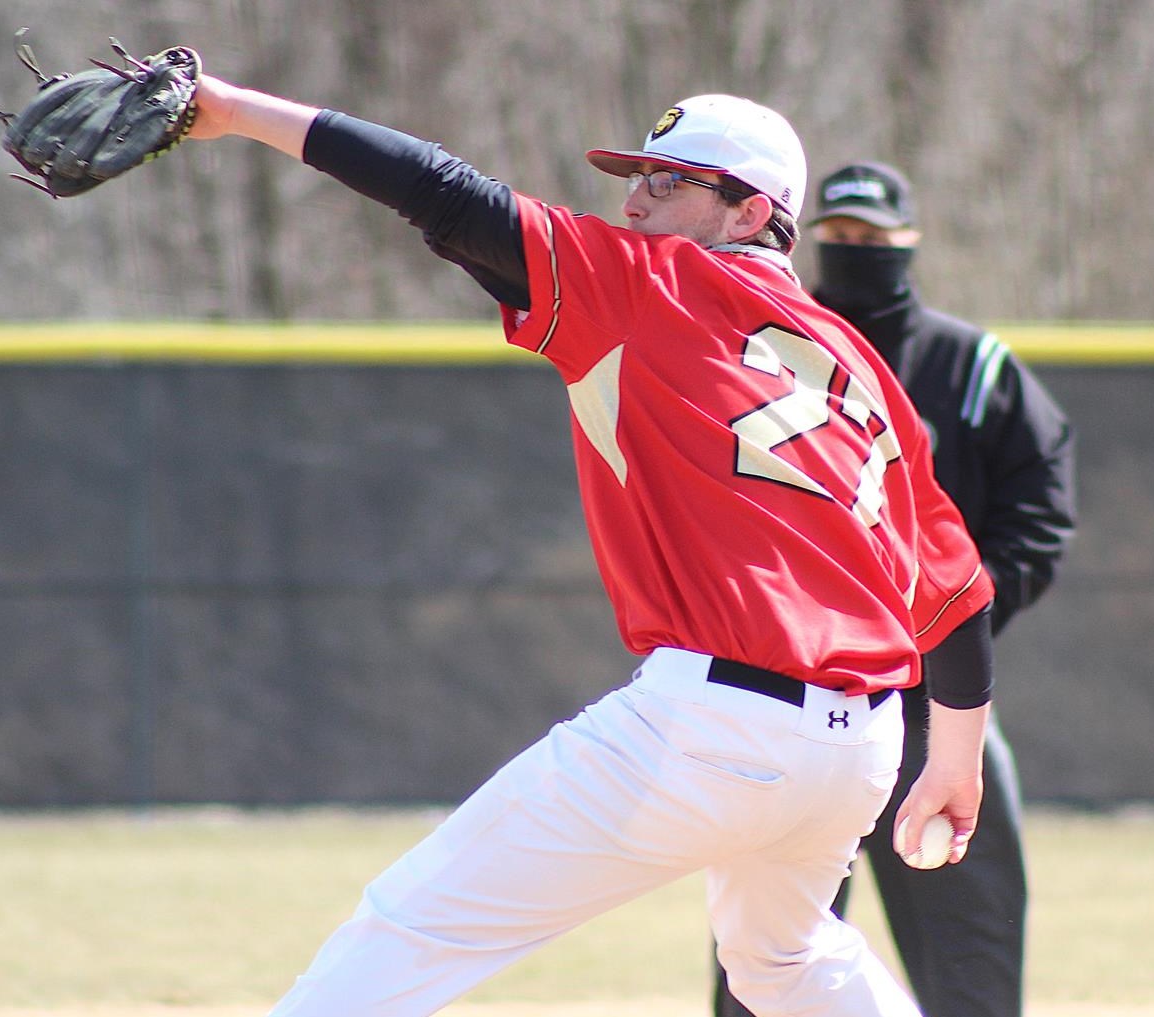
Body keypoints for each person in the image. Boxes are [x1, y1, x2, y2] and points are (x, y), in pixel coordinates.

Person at [184, 74, 999, 1017]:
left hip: (715, 725)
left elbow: (443, 193)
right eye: (636, 175)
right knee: (785, 960)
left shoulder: (652, 281)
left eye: (670, 179)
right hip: (858, 744)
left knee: (416, 922)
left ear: (750, 214)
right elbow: (953, 588)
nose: (635, 197)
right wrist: (955, 760)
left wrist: (236, 109)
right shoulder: (858, 363)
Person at [714, 161, 1076, 1017]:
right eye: (838, 236)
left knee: (970, 959)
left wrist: (944, 627)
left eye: (873, 240)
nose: (855, 252)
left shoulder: (971, 365)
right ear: (809, 240)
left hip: (931, 705)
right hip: (789, 694)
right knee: (762, 963)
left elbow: (1039, 516)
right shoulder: (757, 347)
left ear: (908, 243)